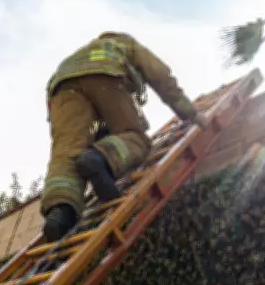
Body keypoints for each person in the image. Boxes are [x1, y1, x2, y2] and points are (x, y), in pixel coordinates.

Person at [41, 31, 209, 242]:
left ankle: (61, 210)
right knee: (136, 138)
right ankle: (101, 158)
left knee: (67, 152)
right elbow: (159, 73)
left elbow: (79, 131)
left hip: (60, 86)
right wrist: (189, 112)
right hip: (105, 74)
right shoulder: (123, 43)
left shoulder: (77, 56)